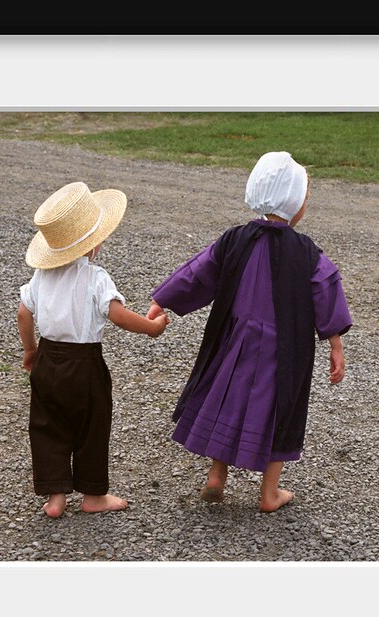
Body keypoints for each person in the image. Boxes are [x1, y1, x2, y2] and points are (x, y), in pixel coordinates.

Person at [147, 151, 352, 512]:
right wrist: (335, 343)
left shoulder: (235, 239)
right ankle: (269, 493)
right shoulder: (307, 253)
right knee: (280, 409)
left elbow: (198, 272)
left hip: (234, 341)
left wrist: (163, 299)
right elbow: (326, 290)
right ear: (293, 203)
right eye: (304, 196)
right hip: (284, 351)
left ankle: (216, 476)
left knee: (226, 397)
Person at [17, 181, 169, 518]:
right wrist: (153, 329)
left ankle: (56, 497)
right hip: (84, 365)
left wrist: (30, 350)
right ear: (94, 244)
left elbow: (23, 312)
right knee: (91, 427)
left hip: (47, 360)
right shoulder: (97, 278)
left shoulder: (41, 277)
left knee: (47, 425)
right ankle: (93, 495)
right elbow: (117, 315)